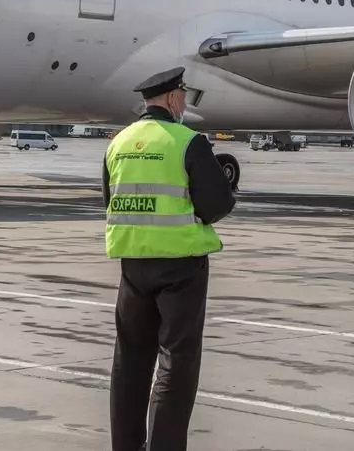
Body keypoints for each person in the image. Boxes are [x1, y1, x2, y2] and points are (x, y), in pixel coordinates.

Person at [102, 66, 236, 451]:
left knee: (129, 360)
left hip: (132, 266)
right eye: (183, 98)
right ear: (174, 99)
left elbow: (111, 200)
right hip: (180, 266)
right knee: (176, 362)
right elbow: (218, 205)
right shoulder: (187, 141)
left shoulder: (119, 142)